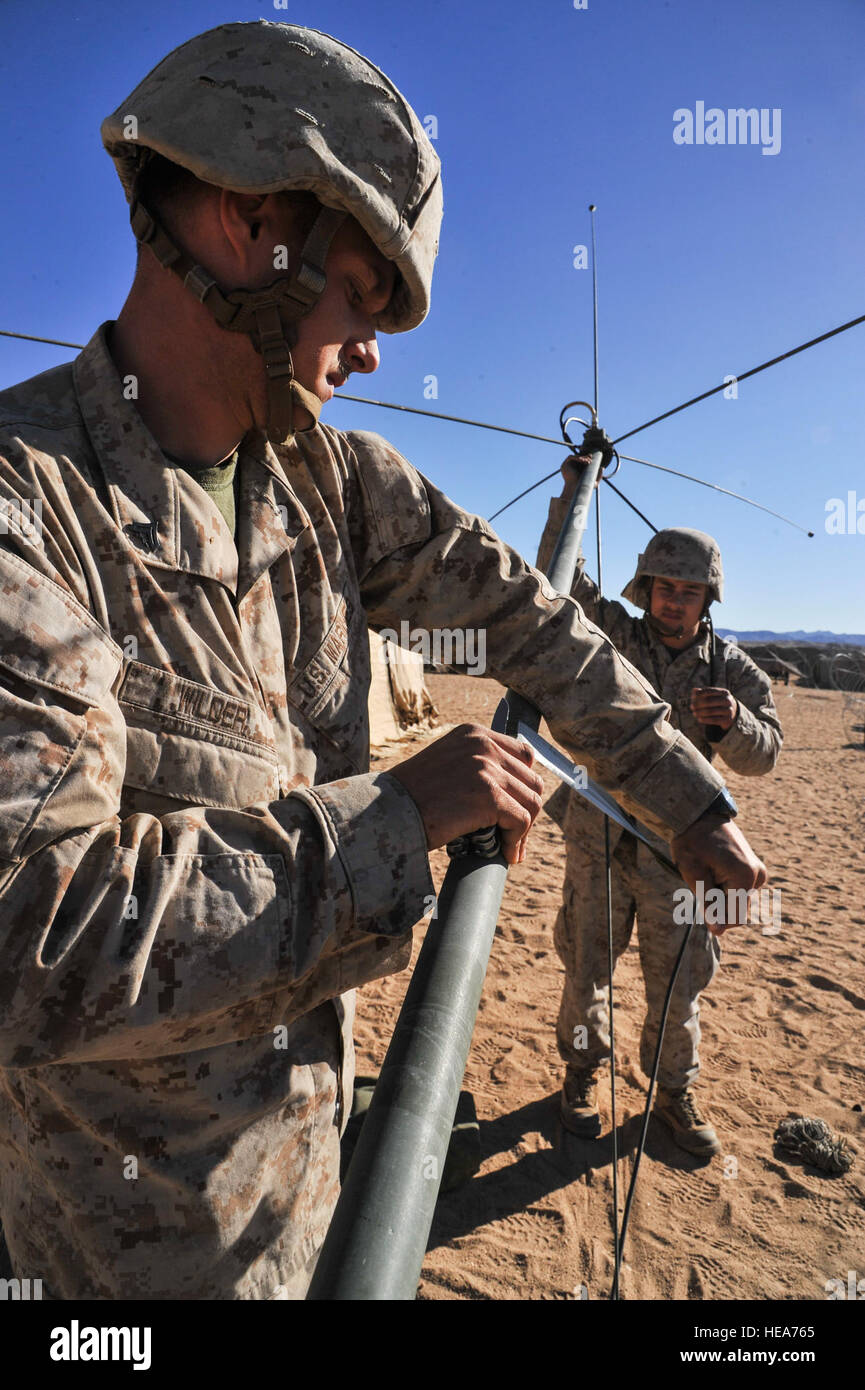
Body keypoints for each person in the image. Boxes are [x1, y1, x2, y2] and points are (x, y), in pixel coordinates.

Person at [0, 21, 766, 1300]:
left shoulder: (329, 485)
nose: (372, 352)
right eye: (364, 297)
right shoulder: (32, 514)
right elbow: (29, 926)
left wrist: (686, 798)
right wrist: (395, 820)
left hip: (316, 1194)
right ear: (250, 223)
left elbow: (535, 623)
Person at [536, 458, 782, 1157]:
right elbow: (558, 581)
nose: (672, 601)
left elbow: (765, 754)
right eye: (662, 586)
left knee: (677, 987)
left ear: (709, 598)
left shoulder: (733, 669)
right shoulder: (609, 629)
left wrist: (733, 724)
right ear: (645, 587)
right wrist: (573, 489)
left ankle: (671, 1091)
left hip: (680, 857)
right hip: (596, 839)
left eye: (688, 590)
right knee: (585, 971)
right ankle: (581, 1074)